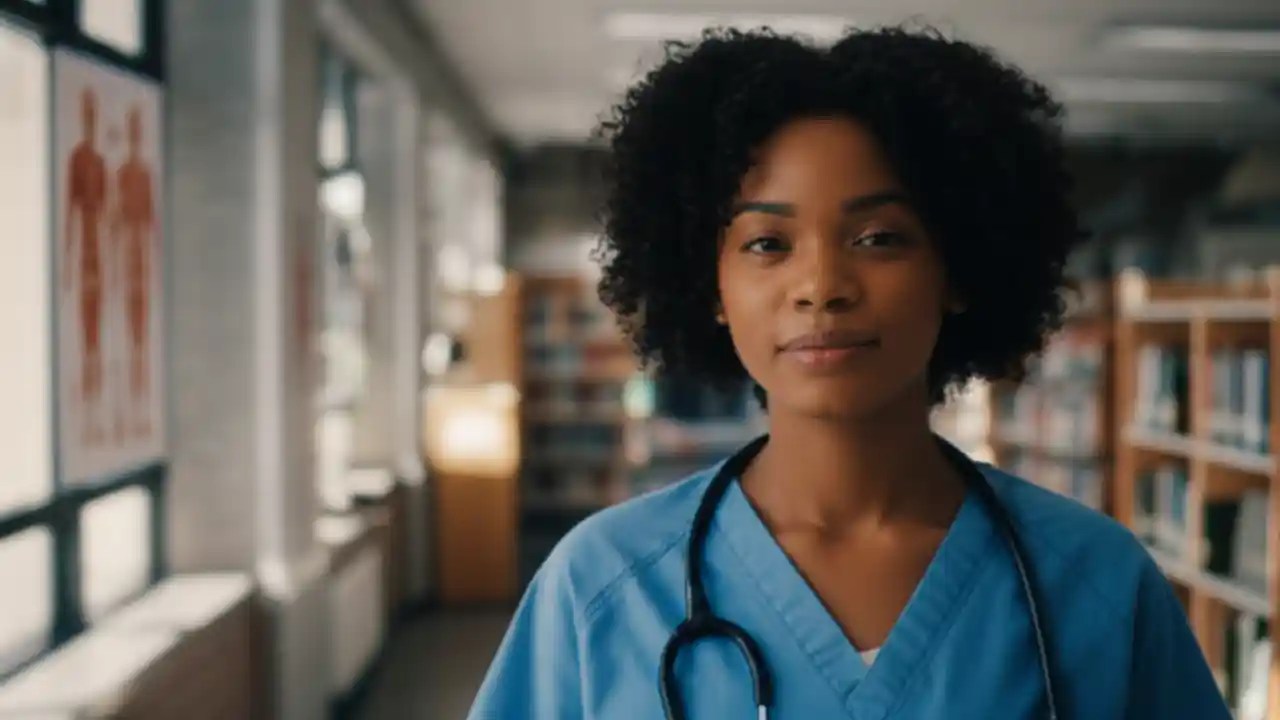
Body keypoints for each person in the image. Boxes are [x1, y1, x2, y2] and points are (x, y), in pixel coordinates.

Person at [468, 25, 1230, 719]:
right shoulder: (602, 585)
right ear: (712, 288)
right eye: (768, 243)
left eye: (878, 237)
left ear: (957, 268)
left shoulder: (1095, 584)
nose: (822, 285)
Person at [64, 87, 109, 445]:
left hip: (100, 254)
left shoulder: (100, 164)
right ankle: (88, 407)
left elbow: (110, 217)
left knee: (98, 334)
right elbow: (70, 214)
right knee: (85, 332)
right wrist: (68, 262)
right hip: (84, 255)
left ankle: (97, 401)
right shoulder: (78, 159)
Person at [114, 106, 157, 437]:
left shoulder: (142, 176)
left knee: (139, 335)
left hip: (140, 261)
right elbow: (114, 220)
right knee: (126, 334)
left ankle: (139, 399)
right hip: (125, 260)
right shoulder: (123, 175)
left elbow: (152, 225)